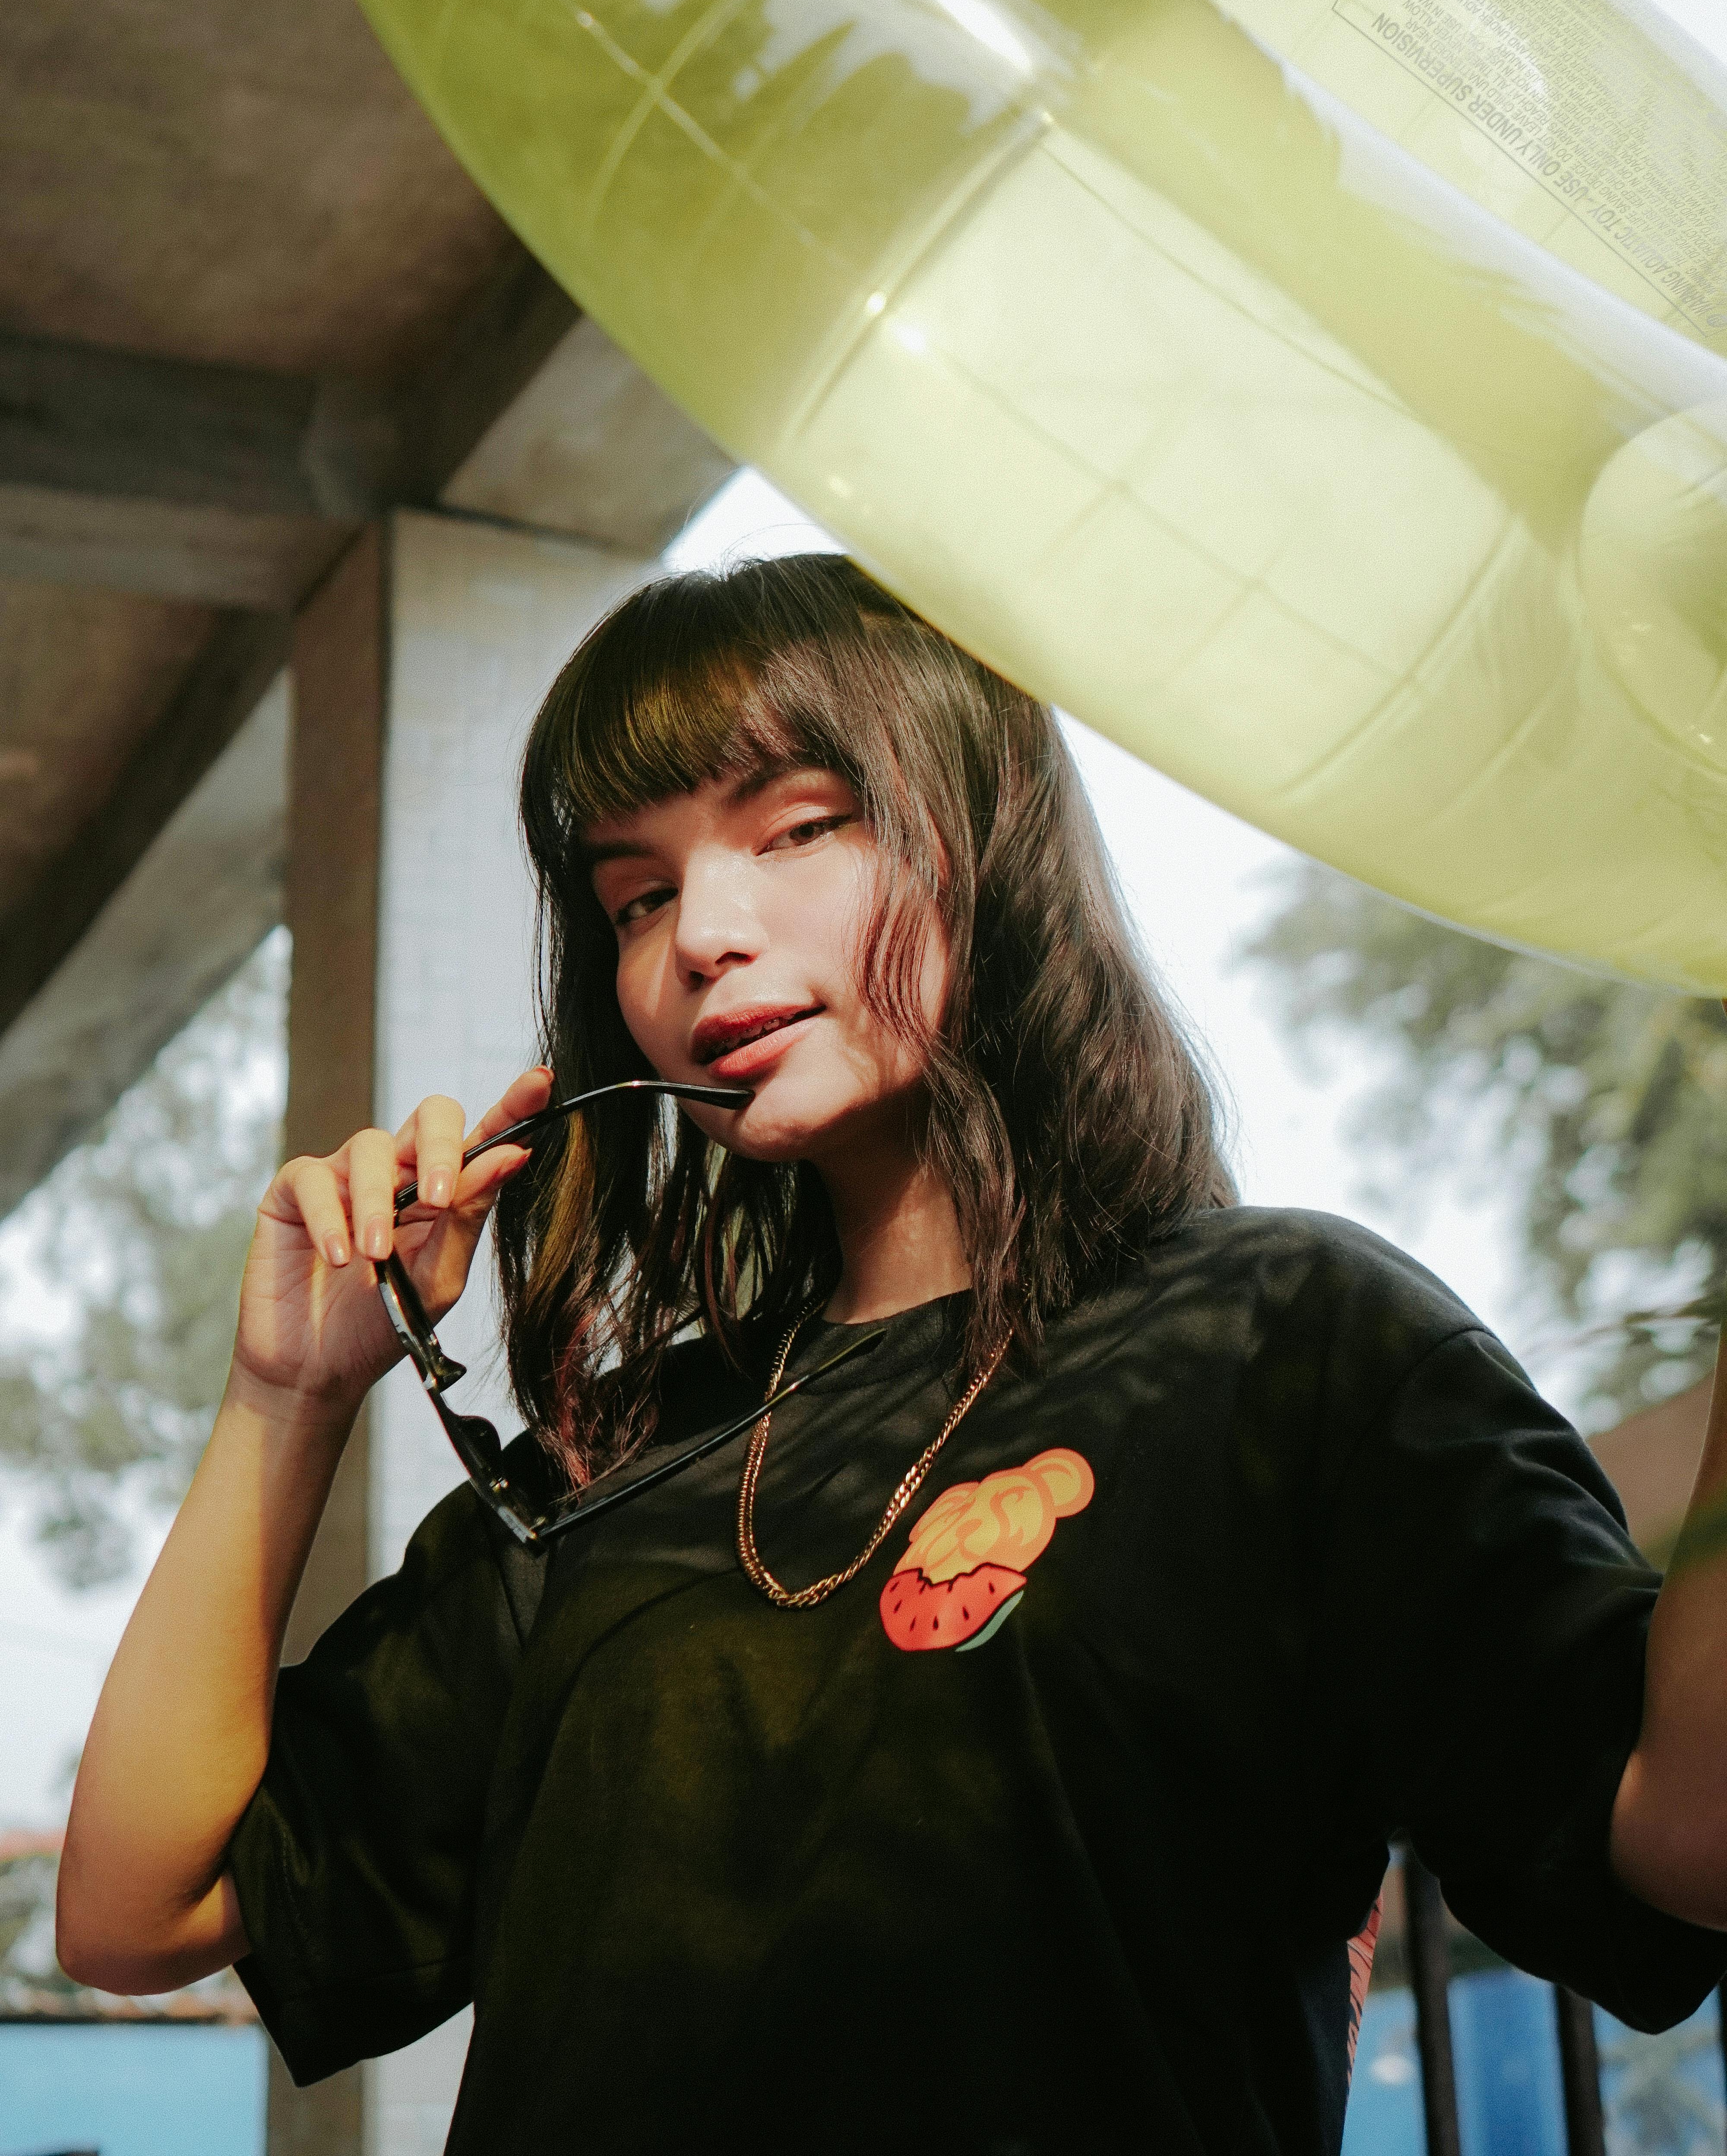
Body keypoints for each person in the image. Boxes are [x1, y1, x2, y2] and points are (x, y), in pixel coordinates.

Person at [57, 555, 1727, 2154]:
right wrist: (288, 1396)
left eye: (797, 829)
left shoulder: (1285, 1341)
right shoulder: (611, 1456)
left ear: (985, 834)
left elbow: (1686, 1840)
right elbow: (142, 1914)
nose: (701, 934)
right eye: (638, 895)